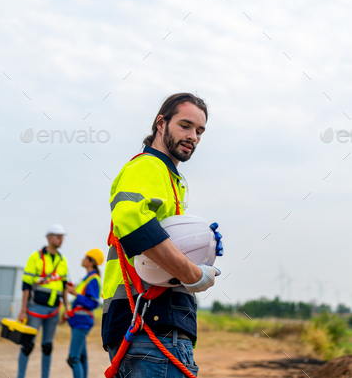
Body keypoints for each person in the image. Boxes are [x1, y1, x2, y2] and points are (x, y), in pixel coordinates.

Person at [102, 93, 223, 377]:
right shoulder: (148, 167)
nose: (193, 136)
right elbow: (134, 226)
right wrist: (193, 274)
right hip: (149, 324)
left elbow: (157, 240)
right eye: (185, 125)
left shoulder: (169, 179)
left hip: (151, 326)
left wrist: (204, 245)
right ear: (161, 123)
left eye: (200, 131)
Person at [17, 223, 69, 378]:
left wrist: (66, 309)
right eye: (58, 237)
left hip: (53, 310)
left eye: (62, 238)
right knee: (27, 345)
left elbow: (64, 287)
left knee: (47, 346)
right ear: (49, 238)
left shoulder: (62, 260)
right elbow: (26, 285)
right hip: (35, 309)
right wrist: (22, 310)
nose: (61, 240)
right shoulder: (35, 257)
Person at [64, 248, 104, 378]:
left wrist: (75, 294)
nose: (83, 259)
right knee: (81, 357)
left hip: (82, 322)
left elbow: (93, 303)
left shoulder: (93, 279)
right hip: (79, 321)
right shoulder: (87, 279)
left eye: (86, 257)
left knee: (73, 358)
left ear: (91, 262)